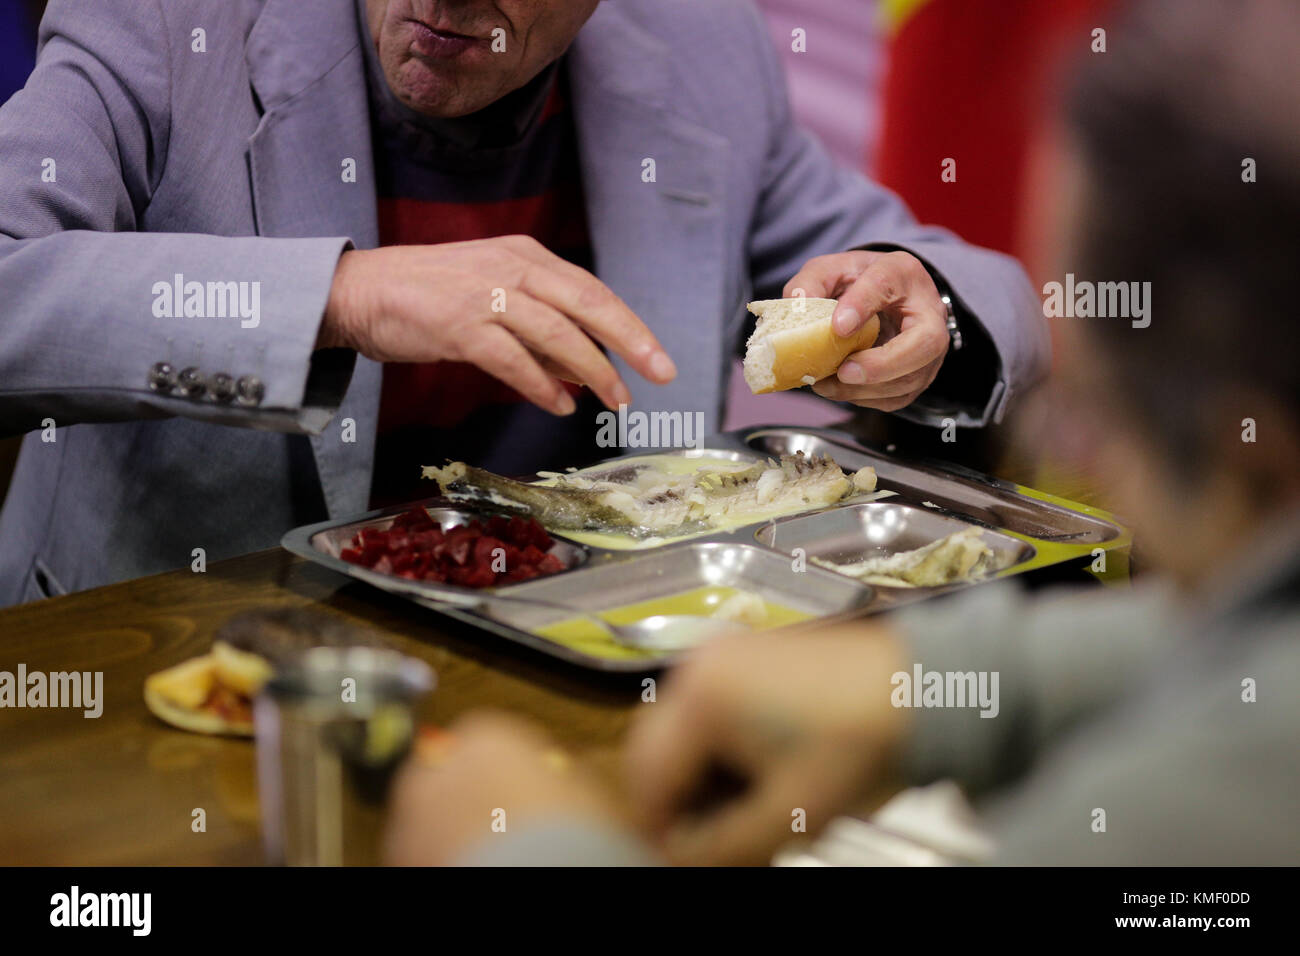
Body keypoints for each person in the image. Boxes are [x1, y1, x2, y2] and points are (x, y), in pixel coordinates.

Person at [381, 0, 1300, 866]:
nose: (1079, 455)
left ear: (1249, 449)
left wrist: (517, 850)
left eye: (1093, 414)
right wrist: (932, 684)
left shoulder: (1194, 811)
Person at [0, 0, 1044, 605]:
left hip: (577, 675)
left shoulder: (698, 45)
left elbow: (958, 279)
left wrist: (923, 307)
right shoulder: (174, 22)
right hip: (190, 674)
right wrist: (339, 296)